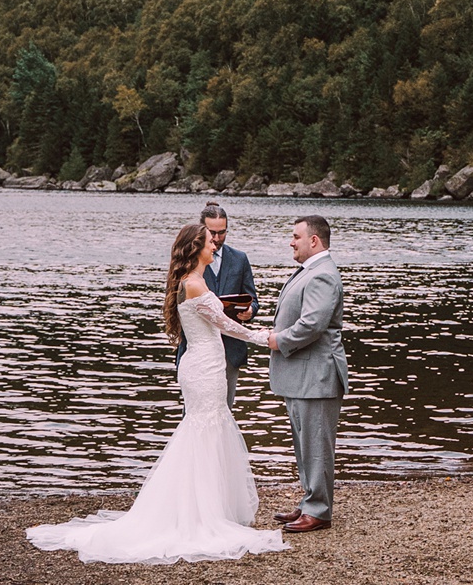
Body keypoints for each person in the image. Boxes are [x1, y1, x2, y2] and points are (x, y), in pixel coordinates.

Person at [25, 223, 288, 564]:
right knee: (204, 431)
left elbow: (214, 321)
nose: (215, 245)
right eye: (210, 241)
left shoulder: (194, 282)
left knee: (207, 429)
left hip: (203, 364)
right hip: (204, 369)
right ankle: (199, 515)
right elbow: (226, 326)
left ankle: (207, 508)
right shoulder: (193, 284)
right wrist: (263, 337)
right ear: (196, 249)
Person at [264, 215, 346, 533]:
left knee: (317, 445)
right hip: (302, 376)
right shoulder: (310, 271)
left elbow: (313, 324)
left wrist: (278, 340)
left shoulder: (323, 274)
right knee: (304, 445)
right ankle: (310, 501)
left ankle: (320, 511)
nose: (291, 241)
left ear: (314, 240)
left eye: (295, 236)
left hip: (318, 375)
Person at [178, 202, 256, 406]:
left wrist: (250, 310)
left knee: (224, 411)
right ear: (201, 230)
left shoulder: (239, 259)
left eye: (222, 232)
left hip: (230, 350)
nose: (217, 239)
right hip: (199, 353)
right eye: (212, 233)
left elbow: (252, 297)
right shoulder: (187, 265)